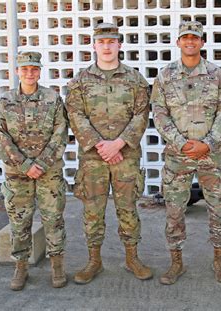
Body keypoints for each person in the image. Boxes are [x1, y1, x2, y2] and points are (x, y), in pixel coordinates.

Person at [66, 23, 152, 284]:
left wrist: (119, 144)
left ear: (119, 46)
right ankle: (94, 261)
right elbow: (75, 115)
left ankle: (132, 258)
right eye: (101, 42)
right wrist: (100, 144)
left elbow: (141, 115)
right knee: (93, 210)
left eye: (111, 41)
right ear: (94, 46)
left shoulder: (135, 79)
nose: (106, 46)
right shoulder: (80, 81)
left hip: (125, 156)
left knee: (127, 208)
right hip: (93, 158)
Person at [151, 21, 221, 285]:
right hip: (178, 156)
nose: (190, 42)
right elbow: (160, 114)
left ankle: (219, 261)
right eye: (185, 37)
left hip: (210, 154)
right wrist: (180, 143)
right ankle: (176, 263)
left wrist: (207, 143)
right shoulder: (165, 76)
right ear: (178, 42)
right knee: (174, 210)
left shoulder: (217, 75)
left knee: (218, 208)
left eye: (195, 38)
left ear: (202, 42)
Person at [0, 51, 68, 290]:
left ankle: (57, 265)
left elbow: (60, 134)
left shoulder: (52, 98)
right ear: (17, 71)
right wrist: (25, 165)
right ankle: (21, 267)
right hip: (18, 173)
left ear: (39, 71)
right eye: (25, 69)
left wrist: (42, 164)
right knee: (19, 221)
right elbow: (1, 137)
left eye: (34, 69)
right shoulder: (5, 101)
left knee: (53, 219)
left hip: (49, 172)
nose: (29, 73)